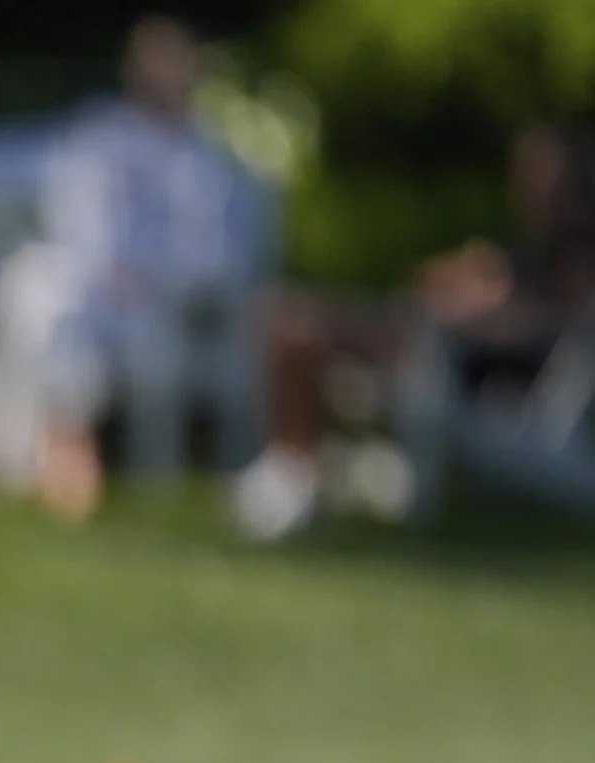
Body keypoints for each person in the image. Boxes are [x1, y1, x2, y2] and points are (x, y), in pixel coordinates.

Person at [229, 121, 595, 538]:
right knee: (291, 327)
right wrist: (469, 288)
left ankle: (293, 476)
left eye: (539, 170)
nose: (524, 180)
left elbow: (548, 324)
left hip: (469, 373)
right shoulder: (530, 249)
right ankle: (293, 469)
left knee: (304, 330)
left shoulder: (578, 258)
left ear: (569, 180)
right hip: (435, 344)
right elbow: (427, 282)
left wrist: (480, 313)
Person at [0, 16, 269, 520]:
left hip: (167, 307)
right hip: (94, 287)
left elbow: (223, 257)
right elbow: (71, 214)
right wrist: (106, 270)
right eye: (153, 62)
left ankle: (66, 452)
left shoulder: (210, 160)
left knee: (64, 314)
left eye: (175, 64)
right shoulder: (100, 134)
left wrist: (156, 279)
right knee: (32, 291)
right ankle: (27, 456)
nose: (164, 75)